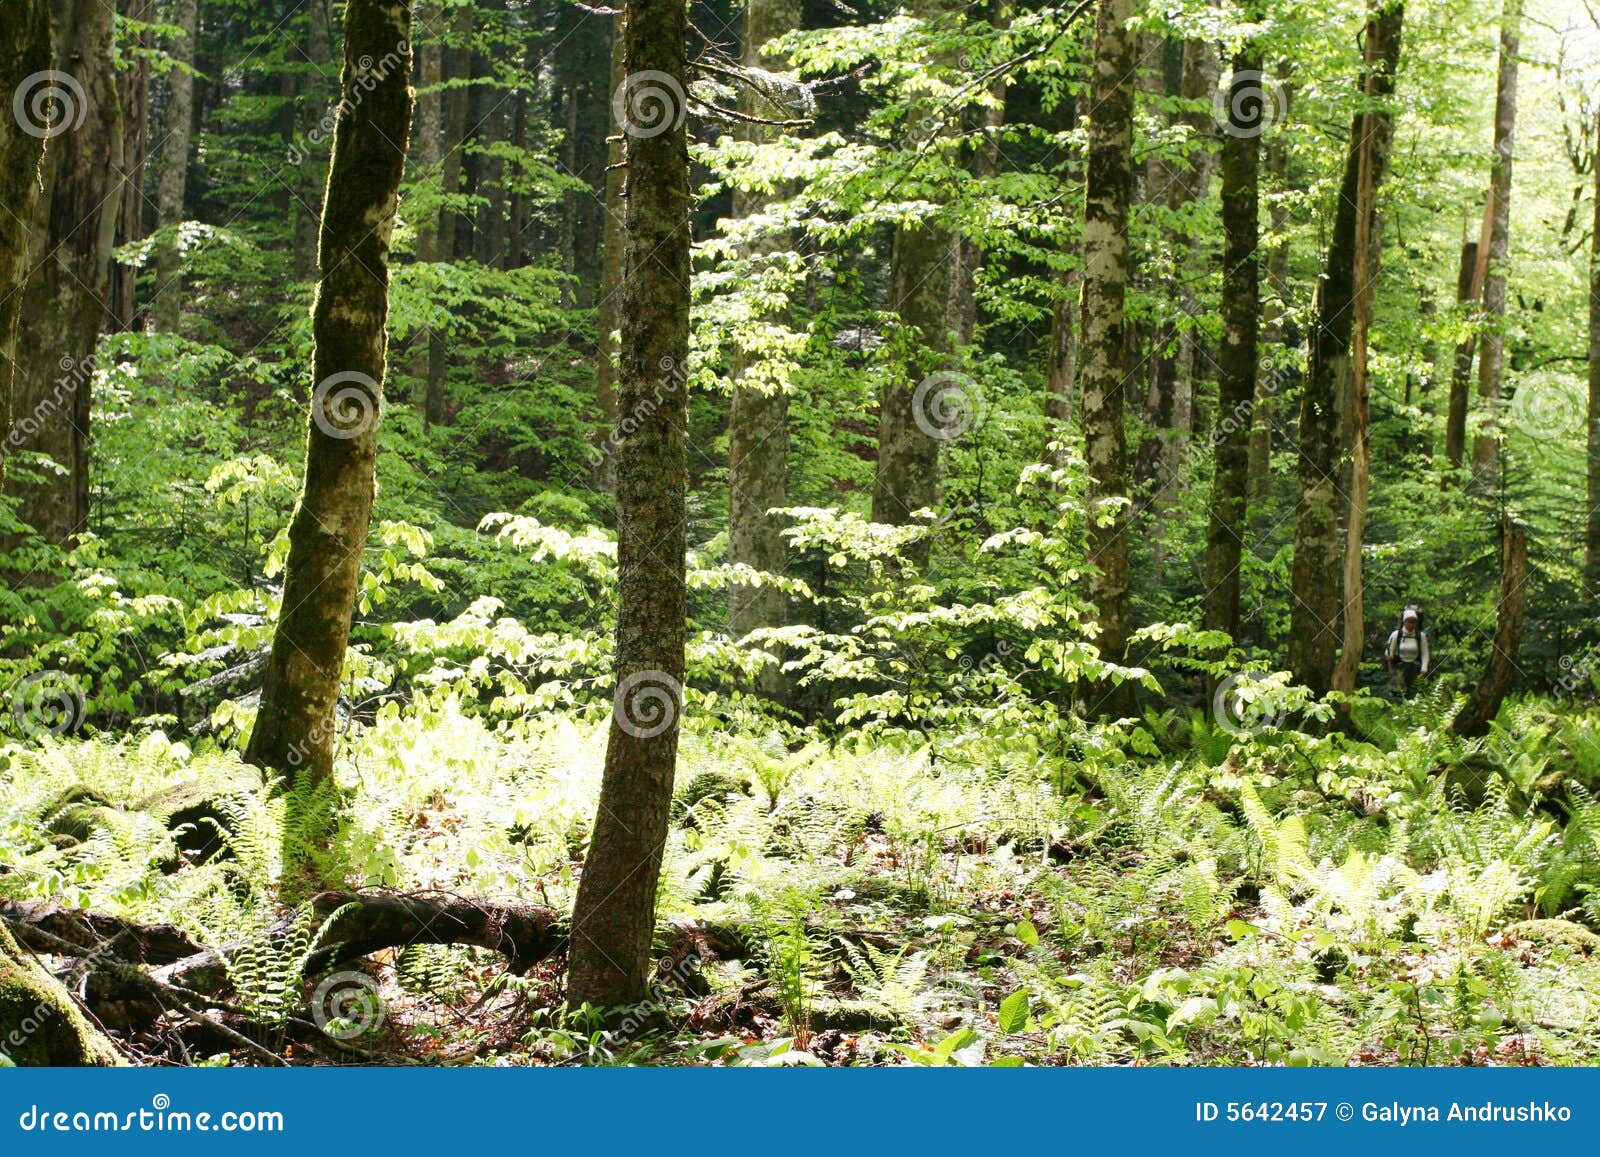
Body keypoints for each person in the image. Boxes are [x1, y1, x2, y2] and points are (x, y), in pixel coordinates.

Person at [1383, 605, 1430, 698]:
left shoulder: (1420, 636)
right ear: (1404, 622)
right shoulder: (1396, 634)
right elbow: (1388, 651)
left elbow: (1425, 653)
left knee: (1414, 692)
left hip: (1415, 667)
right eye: (1410, 622)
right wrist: (1389, 656)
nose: (1412, 624)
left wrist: (1424, 668)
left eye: (1414, 622)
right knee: (1398, 692)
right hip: (1399, 667)